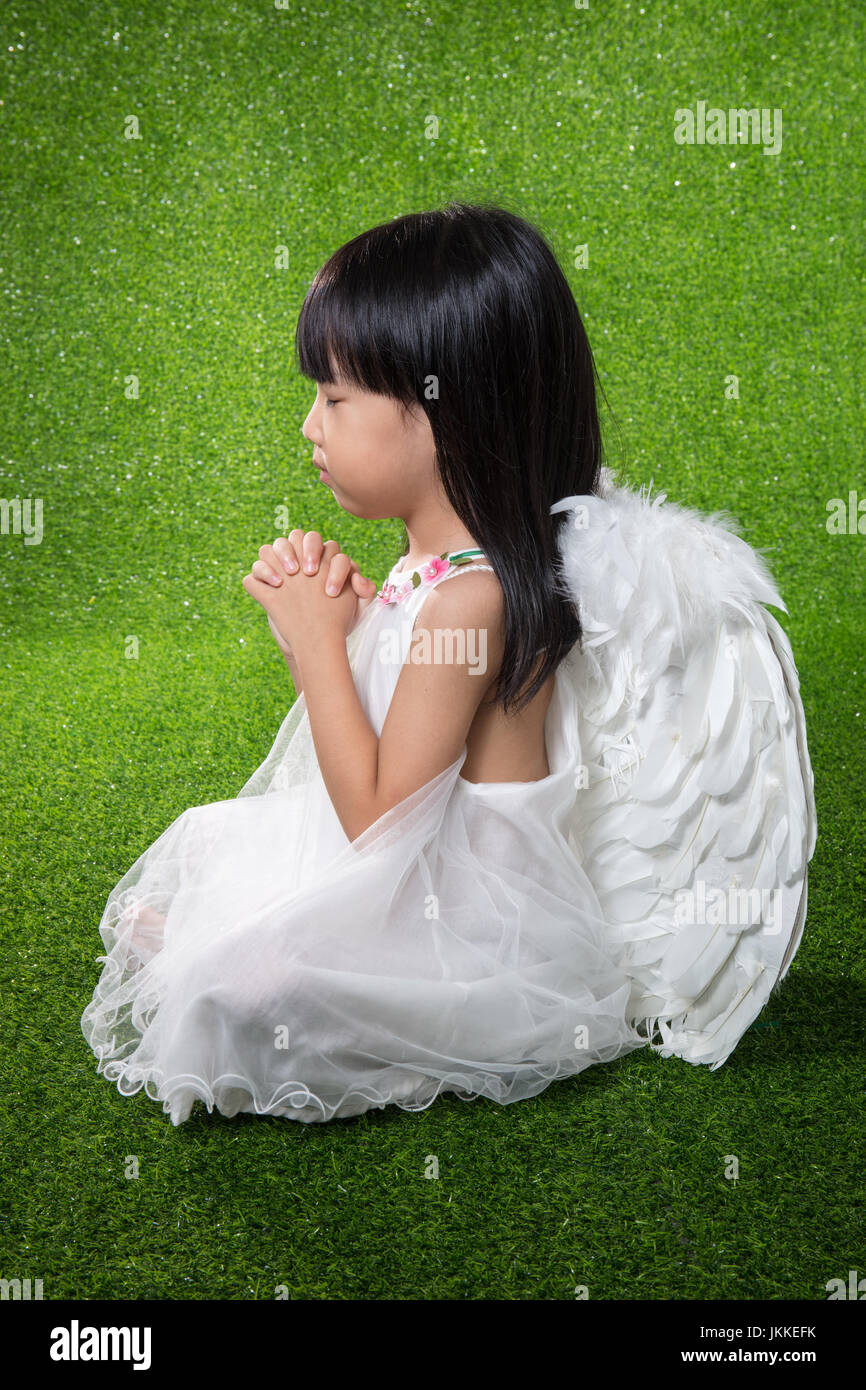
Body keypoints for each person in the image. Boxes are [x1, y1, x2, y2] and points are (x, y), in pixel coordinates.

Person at [80, 202, 816, 1125]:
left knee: (232, 995)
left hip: (468, 929)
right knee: (212, 882)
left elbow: (377, 826)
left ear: (440, 413)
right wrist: (347, 627)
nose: (311, 426)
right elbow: (403, 723)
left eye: (335, 399)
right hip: (419, 875)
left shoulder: (475, 599)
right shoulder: (440, 569)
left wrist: (317, 651)